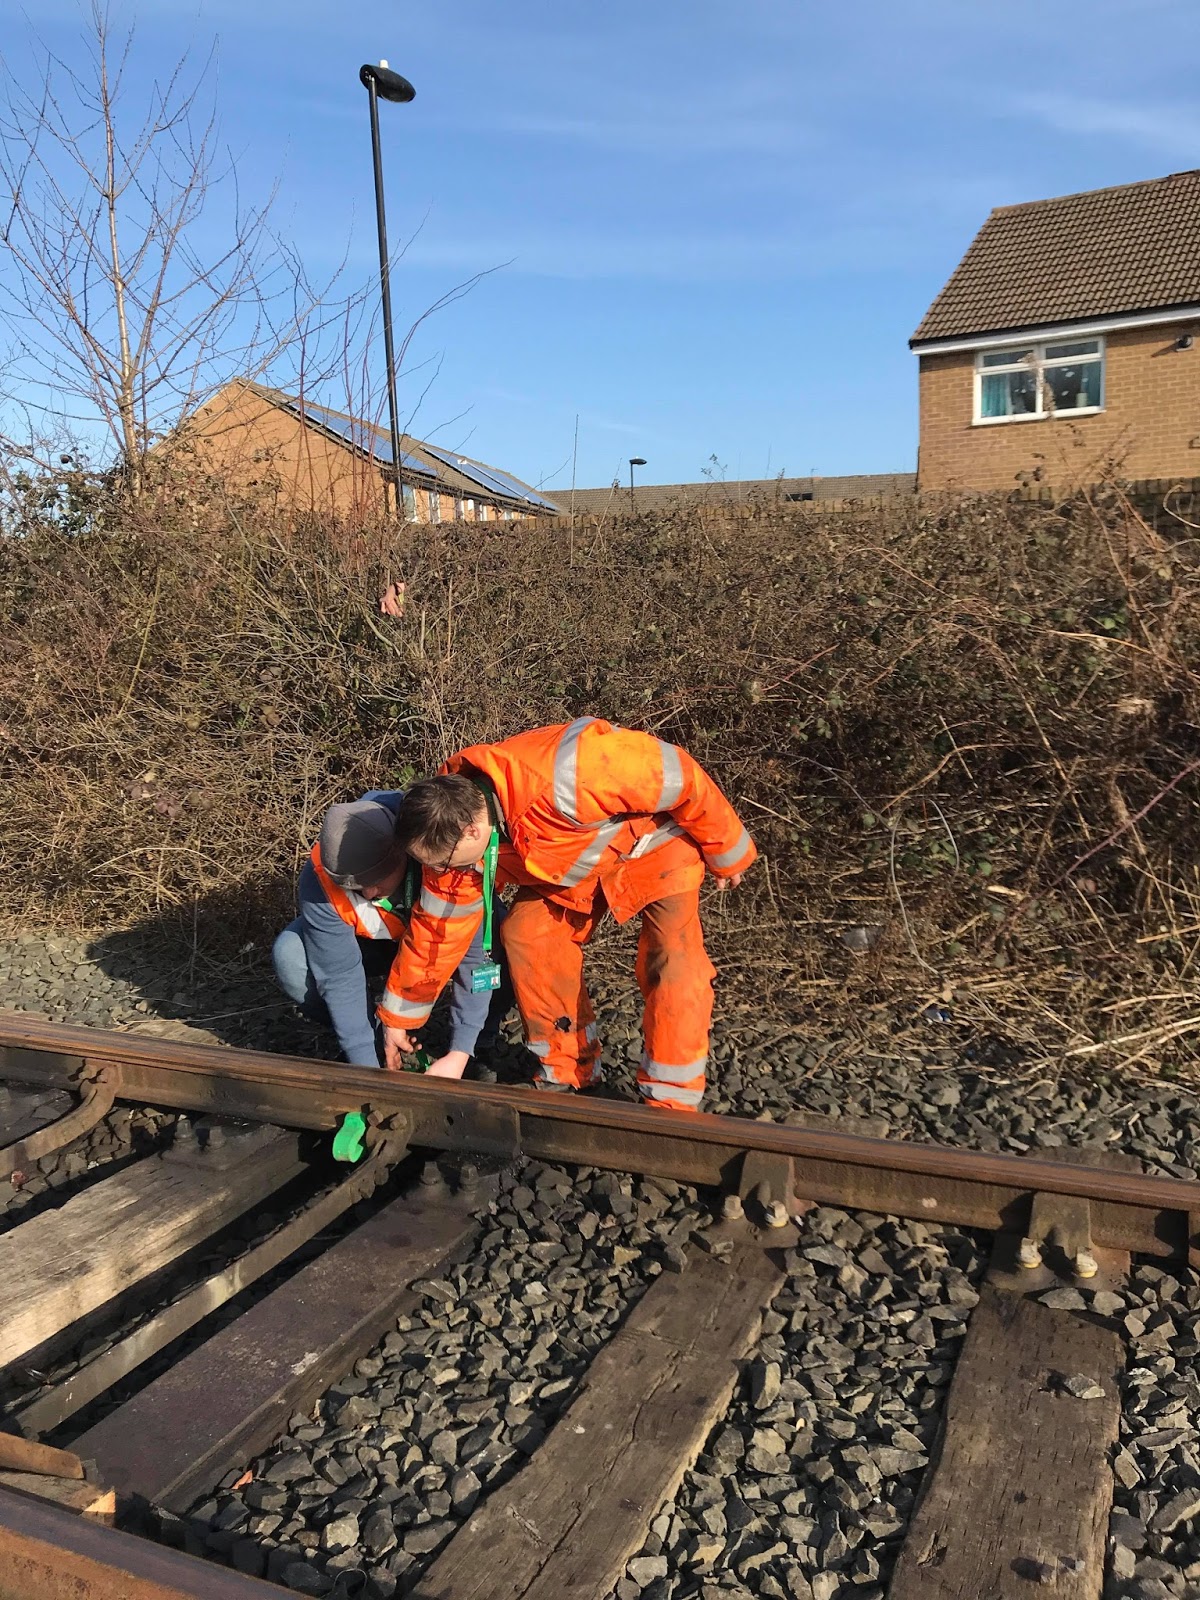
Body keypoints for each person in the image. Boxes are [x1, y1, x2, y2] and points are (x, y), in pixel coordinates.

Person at [378, 718, 756, 1111]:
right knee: (527, 934)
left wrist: (726, 851)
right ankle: (568, 1073)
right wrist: (399, 1019)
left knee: (675, 960)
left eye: (442, 863)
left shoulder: (574, 771)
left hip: (657, 848)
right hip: (573, 868)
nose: (439, 872)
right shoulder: (446, 831)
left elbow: (680, 775)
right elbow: (436, 933)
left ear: (472, 832)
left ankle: (671, 1102)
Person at [272, 791, 510, 1076]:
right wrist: (367, 1068)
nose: (369, 894)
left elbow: (476, 960)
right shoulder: (320, 876)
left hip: (440, 946)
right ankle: (375, 1041)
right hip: (376, 946)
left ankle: (478, 1043)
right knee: (290, 956)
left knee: (508, 942)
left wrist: (460, 1050)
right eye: (356, 887)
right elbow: (338, 976)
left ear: (404, 852)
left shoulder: (439, 848)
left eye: (376, 880)